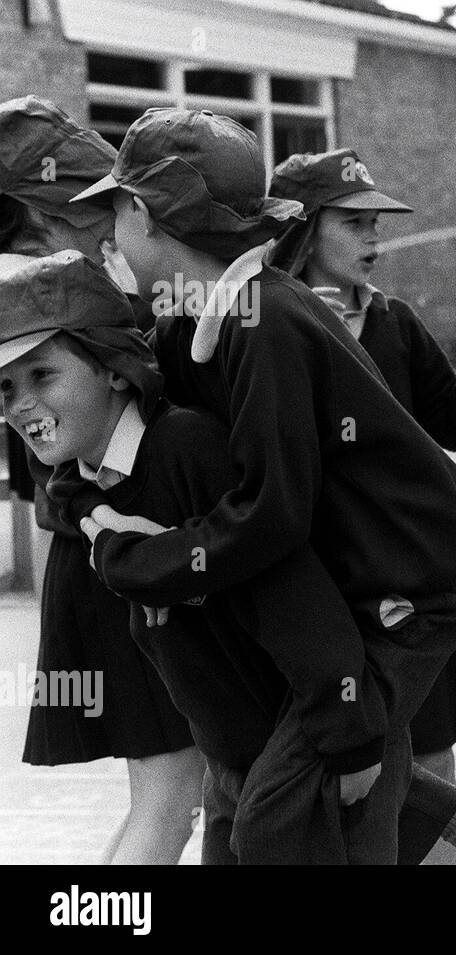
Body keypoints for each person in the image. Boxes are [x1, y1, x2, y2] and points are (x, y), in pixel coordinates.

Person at [57, 107, 456, 864]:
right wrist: (82, 499)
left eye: (116, 205)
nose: (108, 225)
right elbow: (134, 417)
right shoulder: (203, 319)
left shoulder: (267, 326)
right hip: (343, 597)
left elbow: (272, 513)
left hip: (405, 600)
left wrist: (142, 561)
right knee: (265, 788)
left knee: (280, 820)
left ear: (145, 212)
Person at [268, 147, 456, 863]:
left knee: (433, 779)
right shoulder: (267, 326)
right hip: (321, 603)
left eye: (378, 223)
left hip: (407, 589)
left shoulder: (395, 323)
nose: (375, 239)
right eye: (356, 223)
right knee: (341, 795)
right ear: (304, 230)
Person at [0, 95, 202, 864]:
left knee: (168, 796)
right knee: (170, 796)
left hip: (110, 550)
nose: (113, 221)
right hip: (116, 553)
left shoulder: (87, 277)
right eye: (90, 203)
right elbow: (54, 456)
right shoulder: (58, 293)